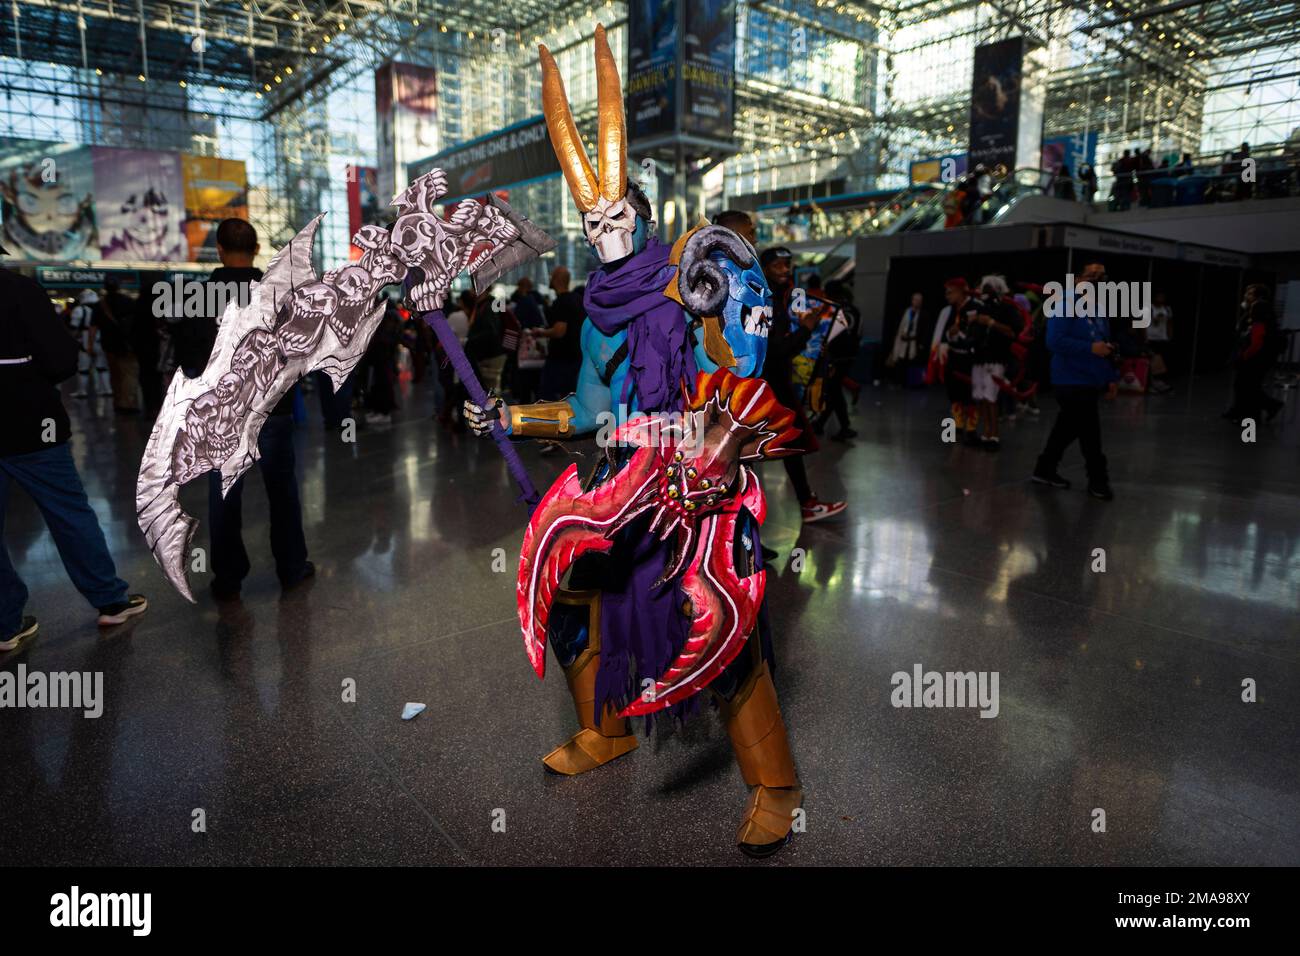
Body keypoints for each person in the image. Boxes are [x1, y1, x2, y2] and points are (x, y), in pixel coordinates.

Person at [0, 252, 147, 651]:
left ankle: (4, 623)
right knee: (68, 512)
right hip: (31, 427)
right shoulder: (20, 290)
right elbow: (61, 360)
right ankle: (110, 600)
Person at [192, 219, 313, 600]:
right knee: (283, 491)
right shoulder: (276, 292)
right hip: (270, 410)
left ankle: (228, 578)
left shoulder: (201, 295)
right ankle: (292, 568)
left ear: (219, 249)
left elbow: (192, 362)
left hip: (223, 416)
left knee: (224, 497)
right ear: (257, 248)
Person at [760, 246, 847, 521]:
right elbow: (777, 350)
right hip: (767, 385)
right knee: (780, 445)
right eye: (778, 266)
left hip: (773, 383)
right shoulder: (767, 299)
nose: (785, 270)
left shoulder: (779, 296)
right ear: (765, 268)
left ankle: (805, 503)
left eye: (788, 265)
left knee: (790, 444)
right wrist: (808, 330)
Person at [1031, 261, 1120, 500]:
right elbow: (1054, 341)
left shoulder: (1098, 307)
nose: (1097, 281)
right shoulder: (1065, 303)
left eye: (1101, 276)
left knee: (1067, 427)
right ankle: (1098, 480)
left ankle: (1044, 469)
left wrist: (1111, 377)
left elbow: (1104, 345)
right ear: (1077, 279)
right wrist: (1091, 348)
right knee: (1090, 431)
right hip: (1069, 379)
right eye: (1091, 276)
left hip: (1091, 379)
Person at [969, 275, 1021, 451]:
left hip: (997, 357)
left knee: (991, 396)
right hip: (979, 357)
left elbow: (1013, 332)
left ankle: (994, 434)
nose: (984, 293)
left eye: (988, 290)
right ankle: (986, 432)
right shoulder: (979, 308)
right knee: (981, 397)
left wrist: (992, 323)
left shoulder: (1006, 309)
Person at [1225, 283, 1283, 425]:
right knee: (1245, 385)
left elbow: (1258, 333)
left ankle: (1254, 416)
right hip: (1258, 353)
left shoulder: (1259, 307)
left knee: (1248, 385)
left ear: (1258, 296)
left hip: (1257, 355)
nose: (1246, 296)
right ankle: (1245, 411)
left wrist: (1247, 354)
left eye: (1250, 293)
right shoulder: (1254, 307)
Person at [533, 265, 584, 400]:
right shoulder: (577, 299)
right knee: (569, 397)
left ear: (556, 280)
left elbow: (559, 331)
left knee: (547, 397)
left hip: (560, 358)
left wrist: (540, 332)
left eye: (551, 276)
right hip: (576, 356)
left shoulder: (561, 302)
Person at [94, 277, 141, 415]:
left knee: (114, 374)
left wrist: (90, 345)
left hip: (108, 345)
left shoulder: (100, 305)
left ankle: (117, 401)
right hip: (127, 344)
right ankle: (128, 403)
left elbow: (93, 327)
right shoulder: (128, 301)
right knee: (129, 374)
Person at [68, 289, 108, 398]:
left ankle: (82, 391)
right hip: (100, 340)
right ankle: (106, 390)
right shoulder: (103, 309)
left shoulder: (79, 310)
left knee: (83, 369)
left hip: (85, 341)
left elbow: (73, 328)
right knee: (102, 367)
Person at [887, 292, 925, 384]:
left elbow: (923, 330)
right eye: (915, 300)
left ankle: (909, 382)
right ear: (912, 301)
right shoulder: (906, 312)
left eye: (919, 301)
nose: (917, 302)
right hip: (902, 340)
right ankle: (897, 381)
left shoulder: (923, 315)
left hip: (913, 341)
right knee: (899, 359)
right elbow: (899, 326)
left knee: (911, 361)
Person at [1146, 291, 1173, 394]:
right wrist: (1145, 337)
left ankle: (1160, 382)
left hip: (1162, 337)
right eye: (1158, 296)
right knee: (1153, 359)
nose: (1160, 299)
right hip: (1151, 337)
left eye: (1162, 296)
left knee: (1162, 359)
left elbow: (1170, 323)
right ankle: (1152, 382)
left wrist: (1169, 335)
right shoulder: (1150, 308)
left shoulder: (1167, 309)